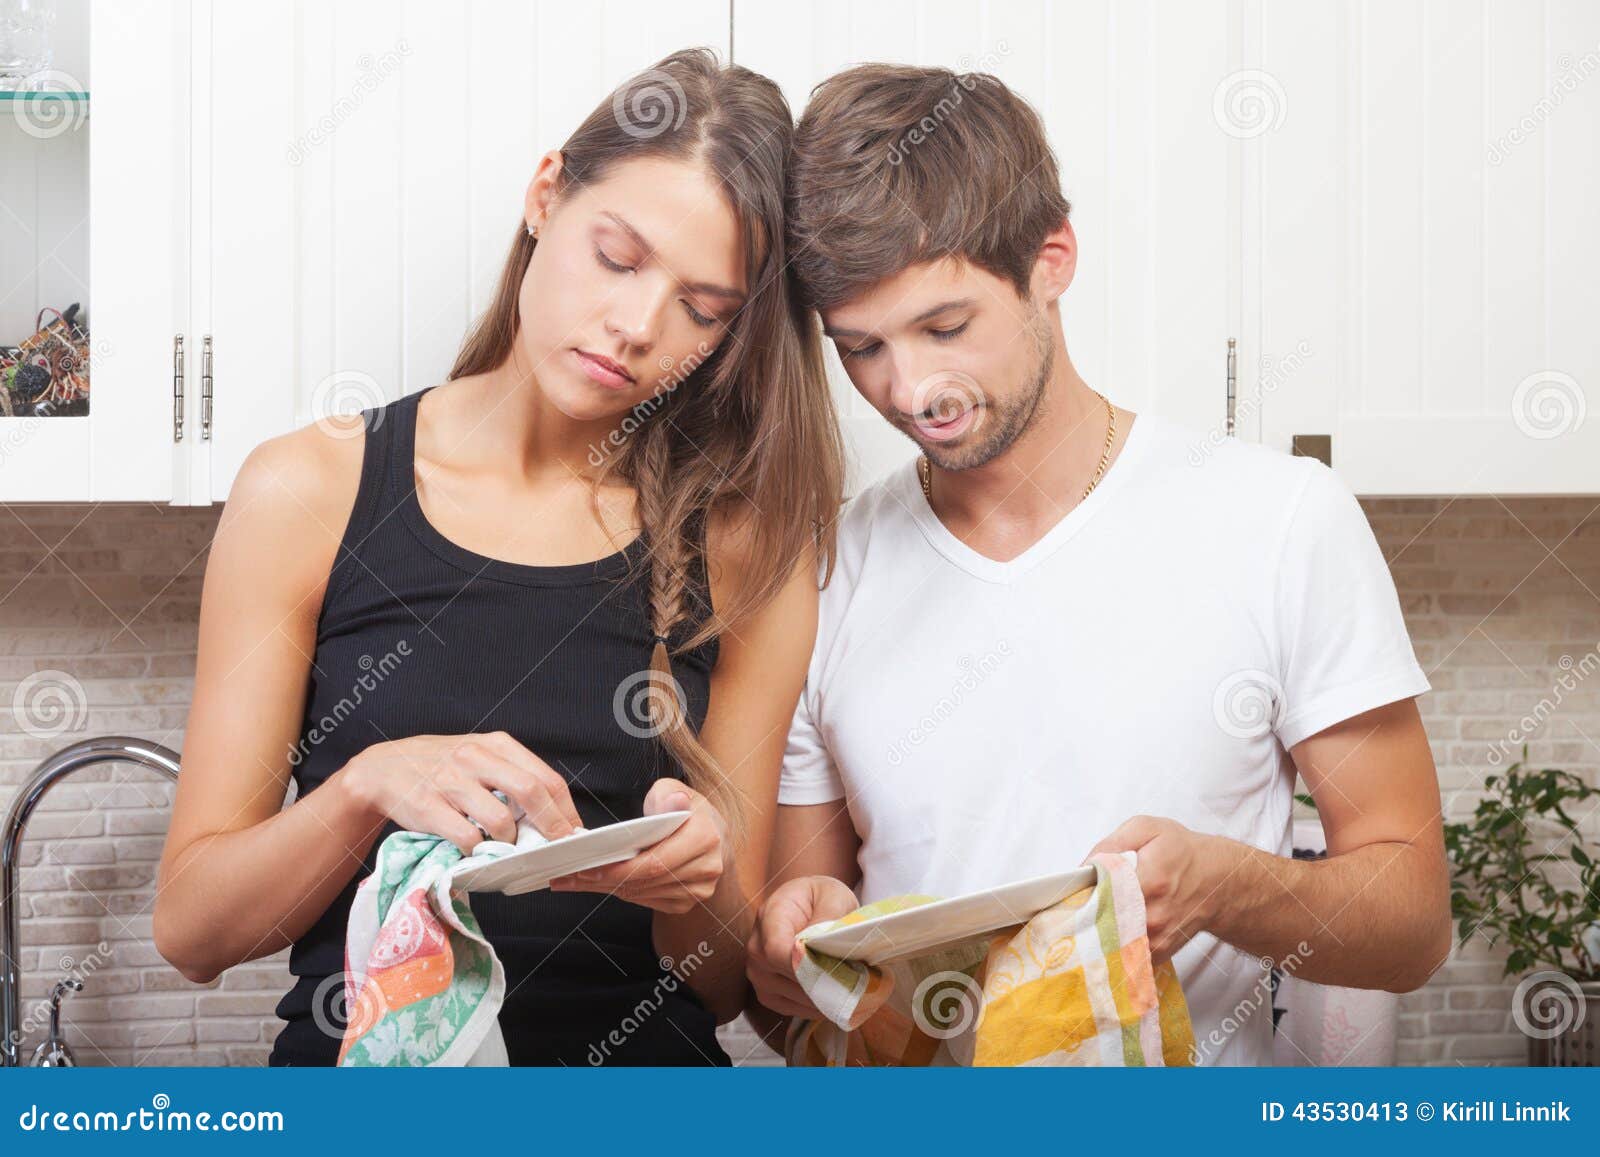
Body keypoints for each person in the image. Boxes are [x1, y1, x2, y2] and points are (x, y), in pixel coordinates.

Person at [745, 63, 1452, 1065]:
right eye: (860, 347)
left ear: (1052, 258)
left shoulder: (1279, 518)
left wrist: (1225, 884)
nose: (911, 390)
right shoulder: (824, 574)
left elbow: (1413, 923)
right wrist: (793, 957)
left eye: (945, 327)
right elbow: (797, 982)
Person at [153, 48, 844, 1066]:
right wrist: (362, 788)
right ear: (546, 194)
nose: (637, 326)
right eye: (617, 256)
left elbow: (725, 982)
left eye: (703, 309)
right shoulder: (310, 490)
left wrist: (700, 890)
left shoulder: (744, 542)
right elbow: (194, 929)